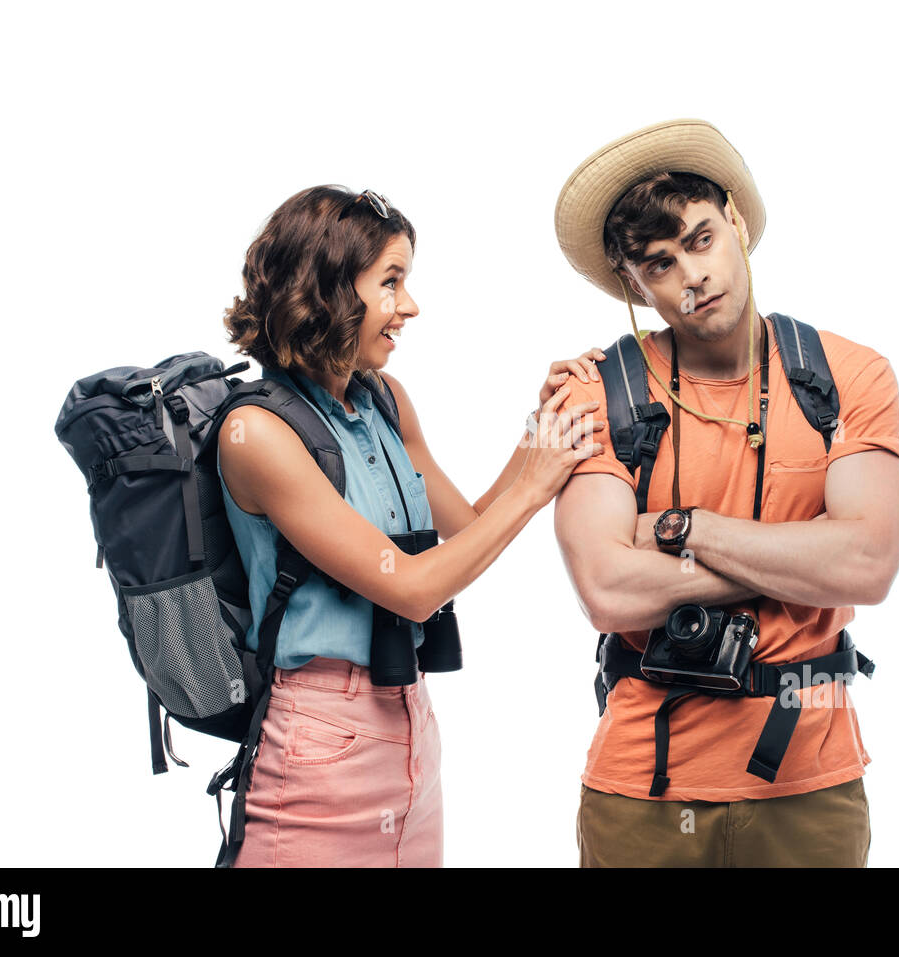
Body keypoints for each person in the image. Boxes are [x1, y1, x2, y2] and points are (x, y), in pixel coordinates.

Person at [551, 119, 899, 867]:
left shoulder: (849, 376)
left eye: (701, 238)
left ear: (737, 223)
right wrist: (805, 555)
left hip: (809, 780)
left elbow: (870, 564)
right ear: (633, 283)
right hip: (642, 787)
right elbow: (609, 591)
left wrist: (682, 529)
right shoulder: (595, 394)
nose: (691, 275)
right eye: (659, 262)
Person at [217, 185, 607, 867]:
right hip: (318, 746)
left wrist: (538, 424)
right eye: (391, 282)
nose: (411, 305)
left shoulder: (387, 401)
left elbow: (469, 531)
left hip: (410, 726)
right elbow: (415, 589)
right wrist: (538, 484)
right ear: (329, 289)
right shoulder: (257, 434)